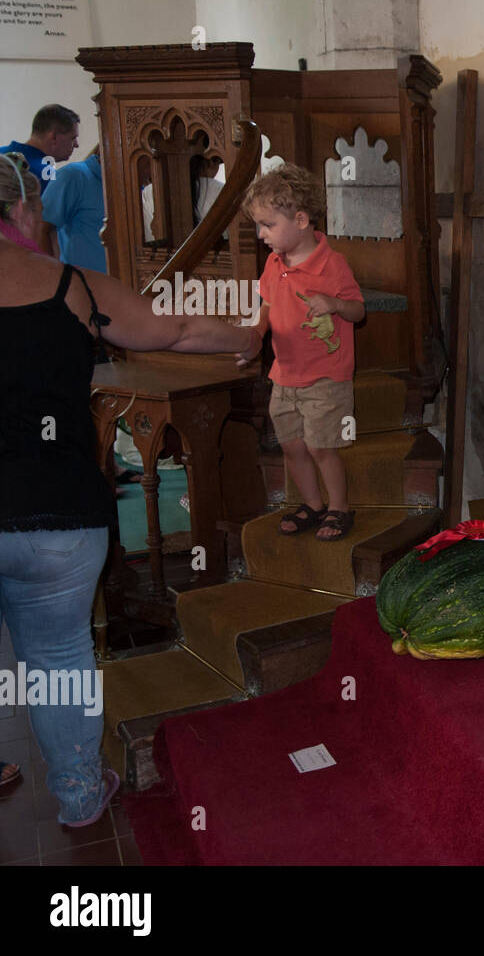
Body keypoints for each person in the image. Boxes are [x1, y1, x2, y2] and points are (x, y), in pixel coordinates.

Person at [0, 151, 261, 826]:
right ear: (24, 210)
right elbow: (174, 329)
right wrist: (249, 338)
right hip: (56, 509)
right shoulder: (72, 286)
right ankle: (82, 796)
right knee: (58, 657)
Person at [236, 164, 364, 542]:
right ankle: (313, 504)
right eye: (259, 225)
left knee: (321, 447)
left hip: (326, 375)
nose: (261, 234)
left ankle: (339, 509)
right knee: (293, 448)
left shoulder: (333, 264)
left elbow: (359, 310)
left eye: (267, 225)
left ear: (302, 220)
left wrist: (335, 304)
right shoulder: (274, 263)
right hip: (284, 374)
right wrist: (256, 335)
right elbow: (266, 307)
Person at [1, 103, 79, 257]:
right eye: (73, 138)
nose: (76, 145)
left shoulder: (2, 155)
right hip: (23, 255)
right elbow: (45, 228)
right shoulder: (47, 173)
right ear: (54, 137)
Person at [41, 144, 107, 273]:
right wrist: (53, 277)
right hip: (81, 285)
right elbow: (41, 228)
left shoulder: (135, 183)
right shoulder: (72, 175)